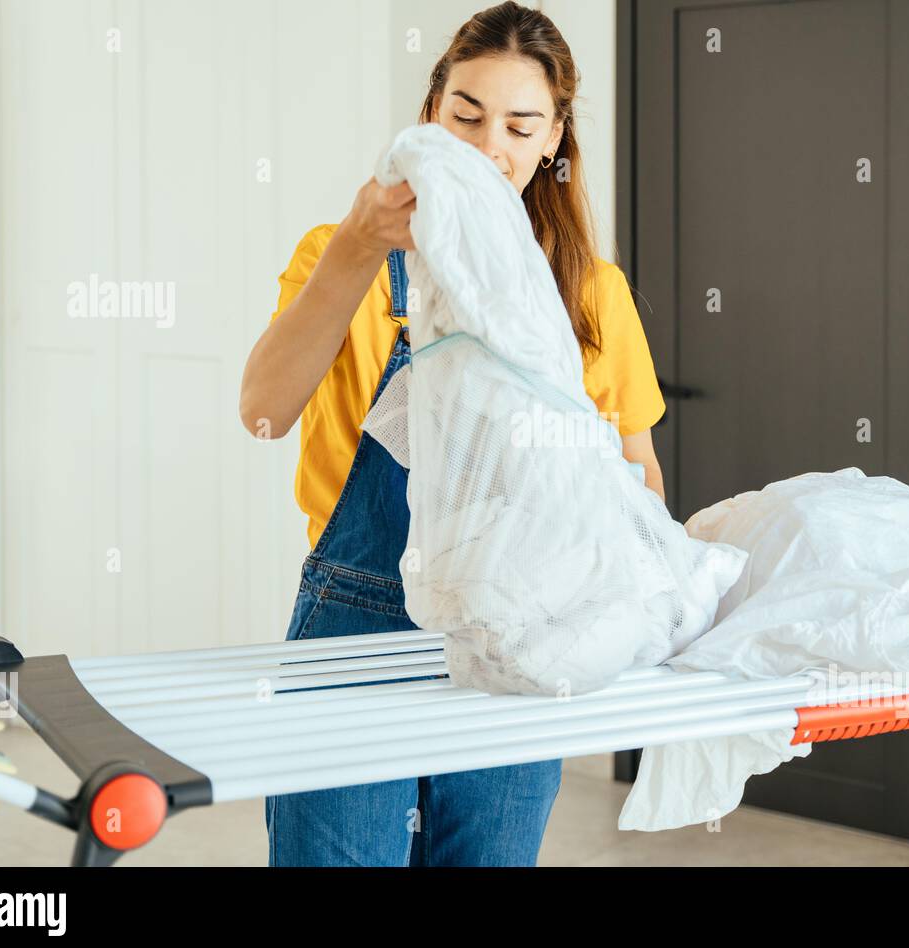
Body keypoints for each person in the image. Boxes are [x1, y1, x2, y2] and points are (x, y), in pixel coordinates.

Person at [238, 0, 667, 867]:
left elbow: (638, 481)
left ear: (555, 141)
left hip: (518, 637)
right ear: (431, 112)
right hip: (357, 630)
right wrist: (358, 249)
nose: (486, 147)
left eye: (519, 124)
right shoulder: (342, 252)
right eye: (465, 114)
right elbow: (265, 410)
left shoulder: (587, 296)